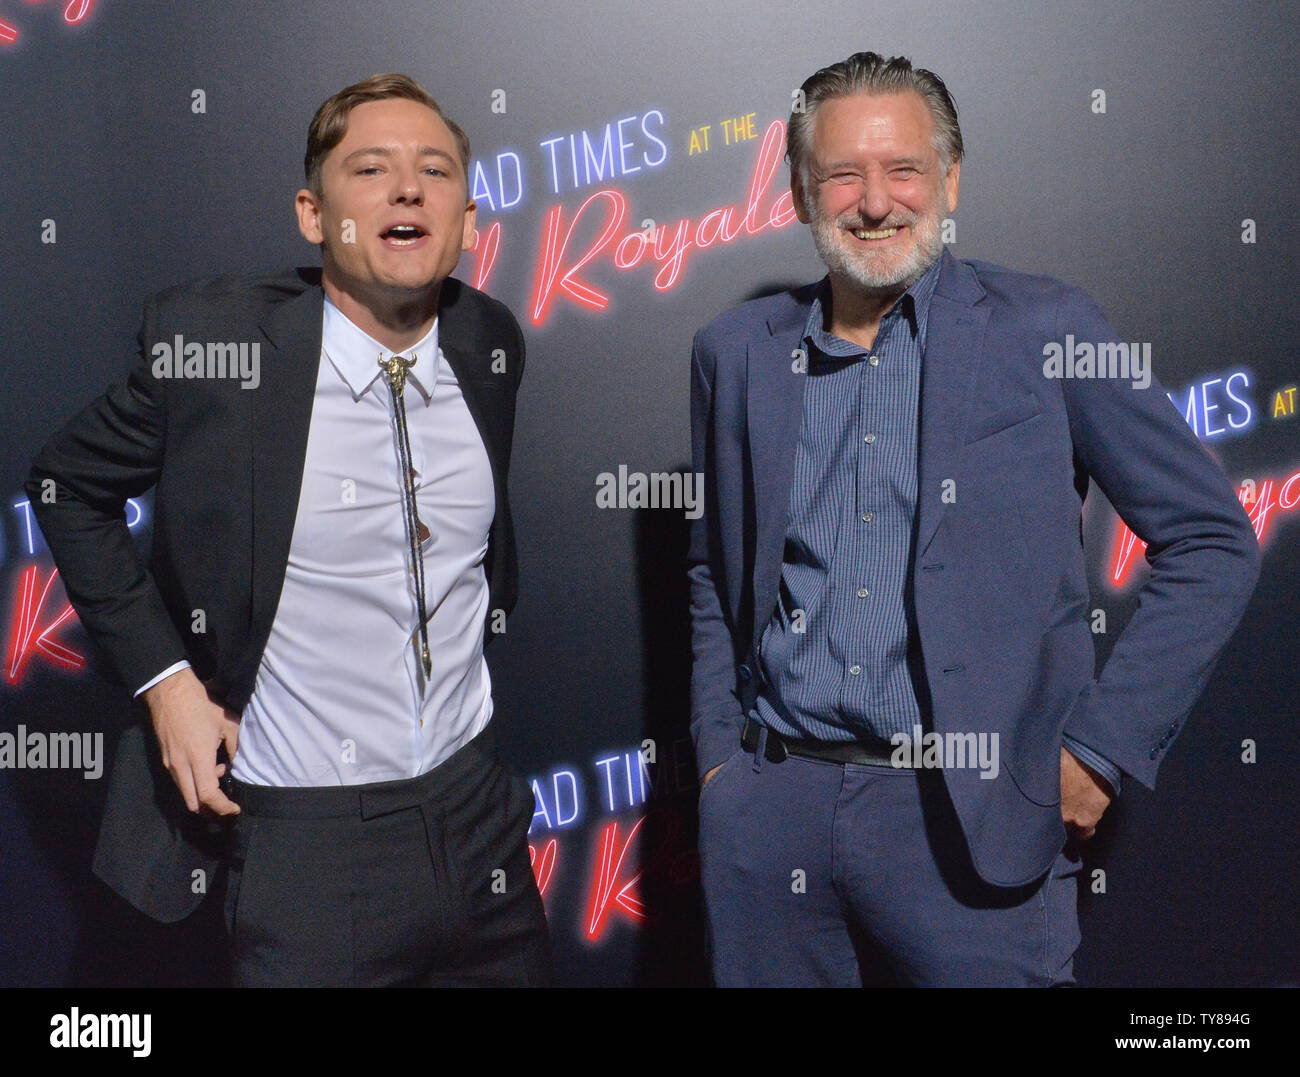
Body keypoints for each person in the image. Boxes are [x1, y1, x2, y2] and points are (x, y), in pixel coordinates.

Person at [687, 51, 1260, 987]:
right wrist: (724, 771)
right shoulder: (734, 353)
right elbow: (714, 565)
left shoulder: (1050, 328)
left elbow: (1212, 539)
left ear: (950, 179)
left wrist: (1101, 752)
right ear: (800, 192)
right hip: (772, 816)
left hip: (975, 819)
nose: (876, 202)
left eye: (904, 169)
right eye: (843, 174)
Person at [26, 73, 550, 987]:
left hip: (482, 828)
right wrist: (166, 682)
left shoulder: (487, 341)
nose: (407, 189)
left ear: (467, 217)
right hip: (307, 852)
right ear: (313, 215)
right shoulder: (214, 351)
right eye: (371, 168)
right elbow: (67, 485)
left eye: (435, 170)